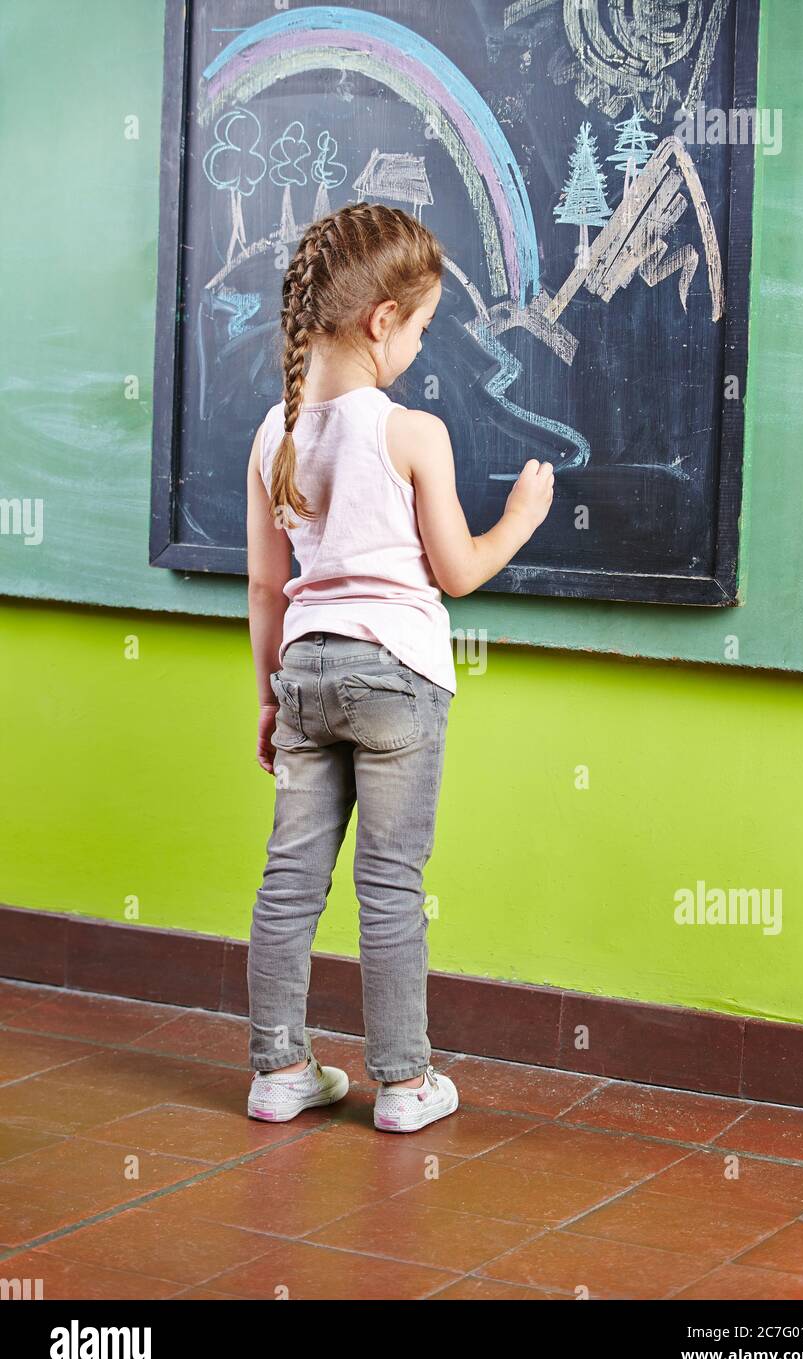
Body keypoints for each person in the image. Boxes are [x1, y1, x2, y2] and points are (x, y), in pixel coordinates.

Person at [245, 203, 553, 1133]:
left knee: (290, 877)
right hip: (397, 678)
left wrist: (268, 699)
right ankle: (405, 1084)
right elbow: (456, 573)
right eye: (421, 326)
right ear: (383, 320)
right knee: (390, 884)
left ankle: (277, 1070)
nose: (422, 345)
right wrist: (522, 519)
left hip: (303, 671)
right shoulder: (411, 433)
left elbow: (267, 589)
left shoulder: (275, 436)